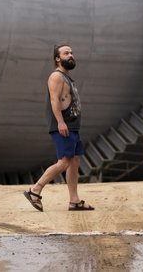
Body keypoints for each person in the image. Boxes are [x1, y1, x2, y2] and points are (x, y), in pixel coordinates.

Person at [23, 43, 95, 212]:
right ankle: (35, 190)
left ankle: (74, 201)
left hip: (72, 126)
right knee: (64, 162)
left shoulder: (67, 78)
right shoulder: (56, 77)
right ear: (57, 58)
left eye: (71, 52)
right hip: (63, 126)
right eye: (66, 53)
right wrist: (61, 122)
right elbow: (55, 100)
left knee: (74, 161)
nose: (71, 55)